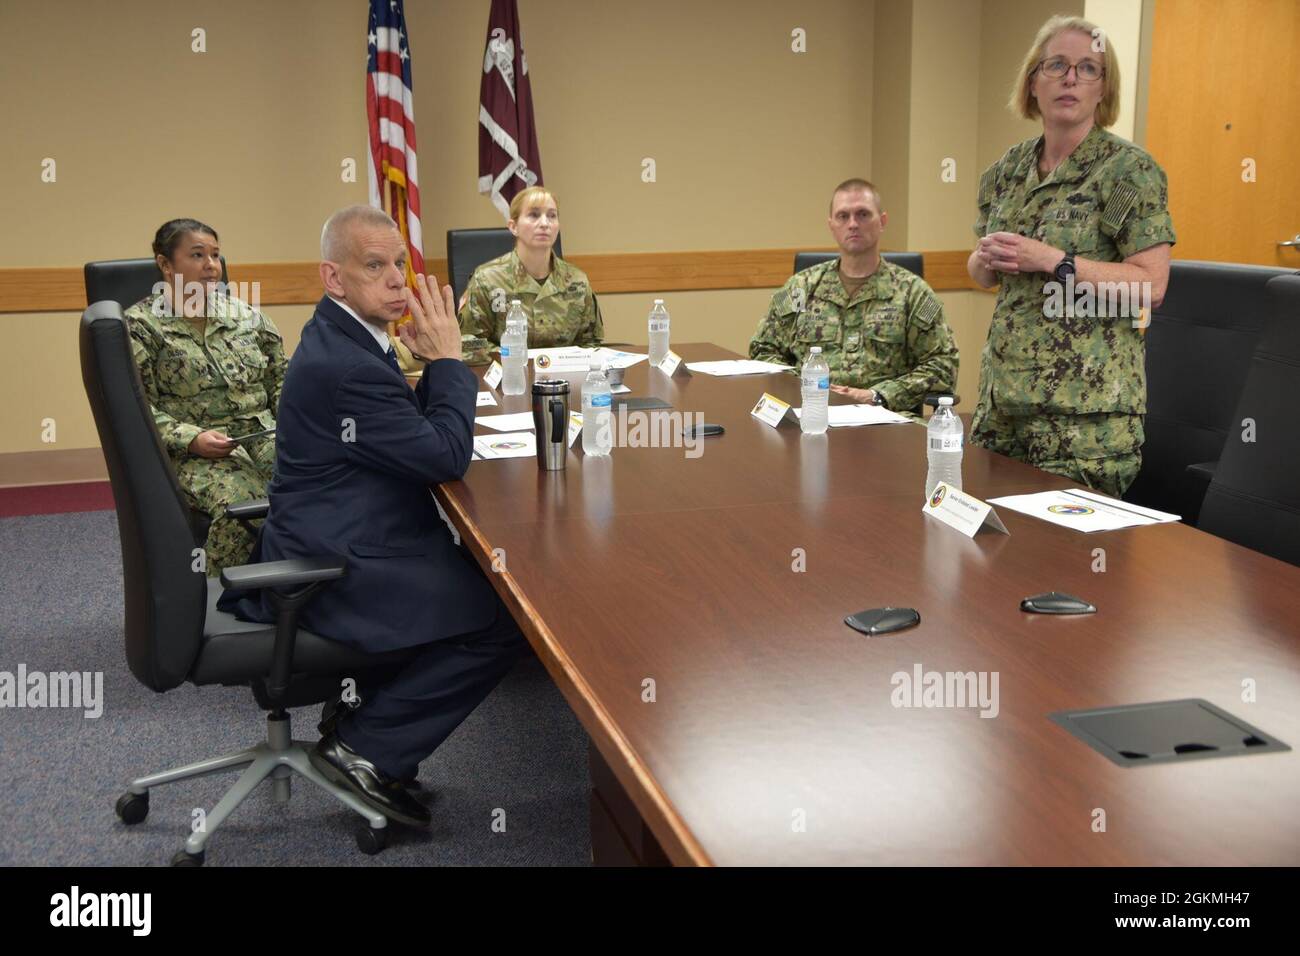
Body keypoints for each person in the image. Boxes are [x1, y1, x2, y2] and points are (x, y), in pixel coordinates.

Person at [220, 205, 525, 829]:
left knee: (480, 572)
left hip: (336, 533)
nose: (396, 280)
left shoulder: (347, 337)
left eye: (400, 264)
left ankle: (362, 724)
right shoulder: (350, 363)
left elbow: (402, 432)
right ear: (334, 278)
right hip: (334, 562)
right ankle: (365, 748)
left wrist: (421, 369)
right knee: (506, 616)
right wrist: (446, 362)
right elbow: (441, 454)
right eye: (375, 266)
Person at [967, 15, 1174, 497]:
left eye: (1088, 69)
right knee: (988, 559)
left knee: (1066, 569)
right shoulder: (1005, 171)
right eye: (1056, 65)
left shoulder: (1130, 171)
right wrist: (983, 261)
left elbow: (1151, 288)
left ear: (1104, 89)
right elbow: (981, 276)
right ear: (1033, 82)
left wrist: (1054, 260)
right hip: (1002, 409)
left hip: (1084, 424)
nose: (1070, 78)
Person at [123, 219, 286, 575]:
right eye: (197, 255)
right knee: (246, 504)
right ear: (166, 265)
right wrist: (191, 438)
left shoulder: (247, 316)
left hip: (263, 435)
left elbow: (281, 380)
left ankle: (304, 592)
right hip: (195, 452)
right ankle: (215, 603)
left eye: (215, 255)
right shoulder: (140, 326)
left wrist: (297, 427)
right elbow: (134, 408)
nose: (212, 265)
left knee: (317, 481)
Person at [748, 179, 958, 416]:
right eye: (843, 216)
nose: (853, 224)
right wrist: (809, 386)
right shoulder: (801, 288)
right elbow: (763, 350)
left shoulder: (913, 293)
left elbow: (943, 366)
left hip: (886, 419)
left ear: (883, 221)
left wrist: (878, 395)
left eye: (863, 214)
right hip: (810, 412)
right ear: (831, 225)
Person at [458, 185, 603, 365]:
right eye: (534, 215)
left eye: (552, 215)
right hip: (507, 379)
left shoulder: (577, 281)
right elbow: (469, 343)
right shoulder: (487, 279)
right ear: (513, 227)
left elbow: (591, 344)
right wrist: (512, 354)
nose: (544, 223)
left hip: (565, 382)